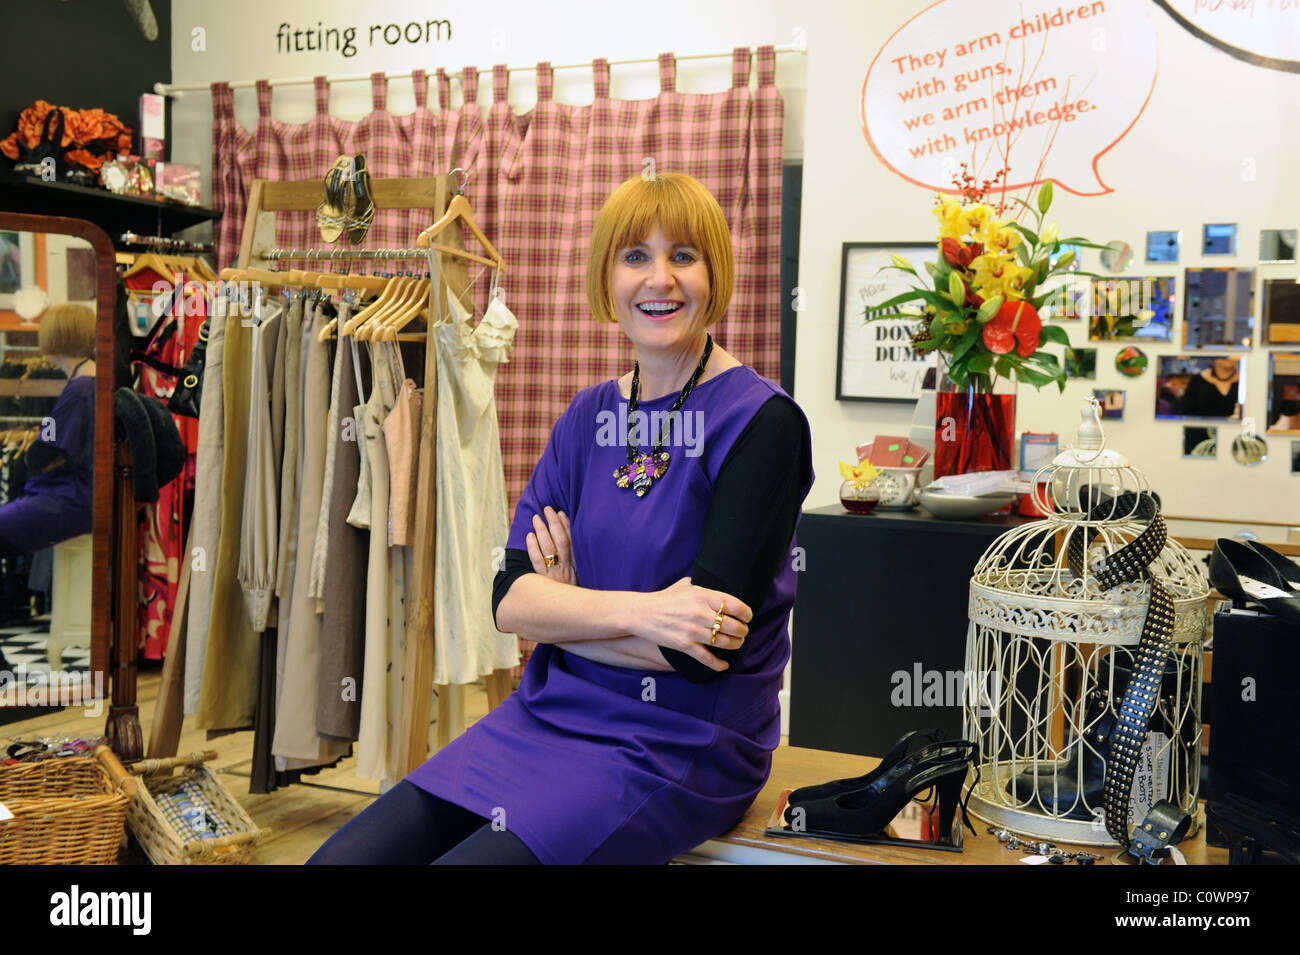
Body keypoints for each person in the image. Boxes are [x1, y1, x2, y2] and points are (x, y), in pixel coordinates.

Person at [308, 172, 814, 865]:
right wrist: (646, 613)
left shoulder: (764, 424)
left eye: (683, 255)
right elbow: (509, 600)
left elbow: (697, 655)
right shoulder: (587, 416)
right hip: (546, 713)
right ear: (608, 277)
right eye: (635, 256)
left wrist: (568, 614)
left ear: (715, 272)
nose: (659, 279)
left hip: (679, 742)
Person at [0, 303, 96, 556]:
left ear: (57, 337)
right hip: (72, 494)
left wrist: (39, 445)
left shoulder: (80, 389)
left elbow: (43, 452)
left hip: (69, 497)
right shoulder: (86, 383)